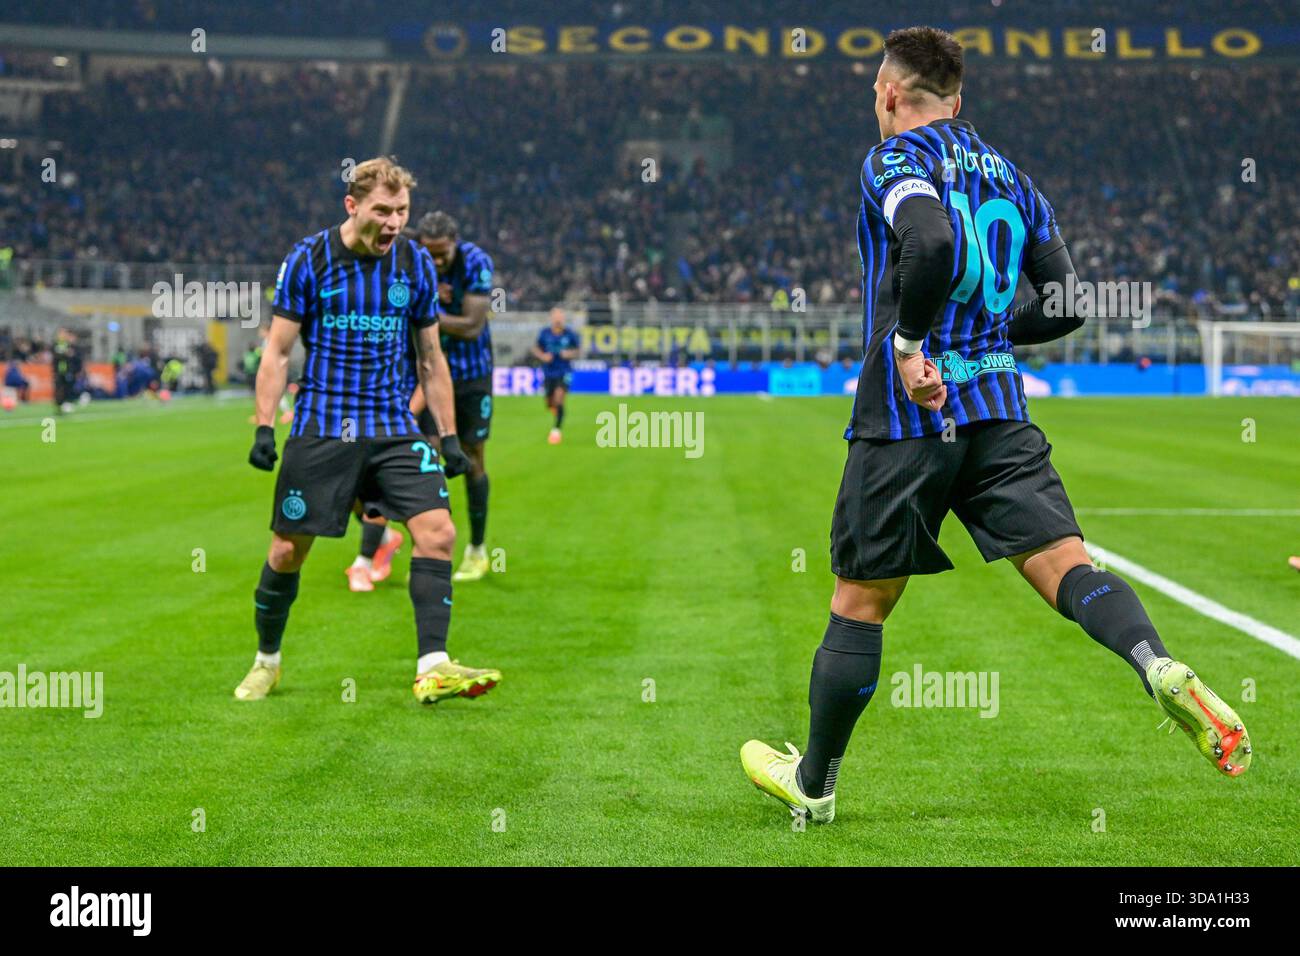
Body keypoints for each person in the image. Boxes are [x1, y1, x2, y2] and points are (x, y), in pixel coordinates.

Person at [741, 27, 1251, 824]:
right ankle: (1155, 664)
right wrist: (988, 342)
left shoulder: (894, 160)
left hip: (910, 414)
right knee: (1066, 565)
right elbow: (1069, 303)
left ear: (888, 93)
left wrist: (913, 348)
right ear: (959, 96)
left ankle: (816, 782)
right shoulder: (1012, 174)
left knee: (860, 600)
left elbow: (932, 238)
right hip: (1000, 414)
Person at [234, 156, 501, 705]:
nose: (395, 222)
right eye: (384, 210)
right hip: (323, 424)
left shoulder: (415, 265)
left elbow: (431, 357)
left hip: (392, 424)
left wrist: (448, 436)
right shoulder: (308, 258)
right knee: (287, 552)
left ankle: (433, 665)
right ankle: (267, 661)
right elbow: (278, 351)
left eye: (402, 210)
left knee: (438, 532)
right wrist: (265, 425)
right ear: (352, 206)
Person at [350, 211, 497, 585]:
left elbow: (472, 326)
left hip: (469, 374)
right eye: (429, 254)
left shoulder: (476, 261)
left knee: (472, 455)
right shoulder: (410, 260)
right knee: (422, 455)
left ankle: (478, 550)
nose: (435, 261)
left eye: (442, 255)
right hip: (424, 375)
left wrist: (427, 309)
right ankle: (420, 544)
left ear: (455, 243)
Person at [532, 306, 580, 444]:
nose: (558, 320)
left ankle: (556, 431)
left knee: (559, 398)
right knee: (549, 402)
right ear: (552, 318)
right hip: (548, 371)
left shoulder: (569, 334)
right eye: (556, 317)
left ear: (563, 319)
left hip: (564, 371)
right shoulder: (545, 333)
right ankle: (558, 411)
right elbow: (536, 349)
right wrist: (542, 356)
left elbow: (577, 351)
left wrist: (569, 354)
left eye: (560, 317)